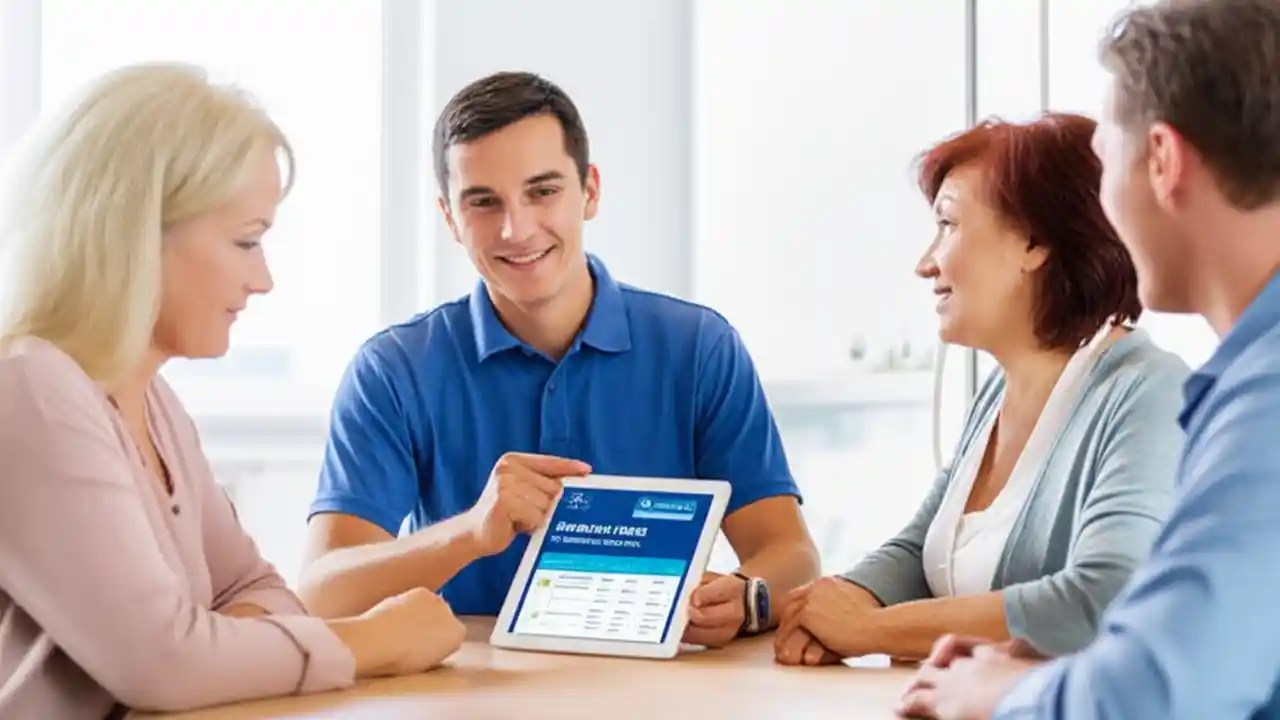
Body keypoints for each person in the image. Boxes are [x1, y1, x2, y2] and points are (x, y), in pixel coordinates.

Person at [0, 64, 465, 719]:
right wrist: (370, 640)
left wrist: (215, 646)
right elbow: (162, 665)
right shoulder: (31, 388)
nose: (264, 279)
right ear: (136, 234)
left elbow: (256, 587)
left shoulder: (154, 404)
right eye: (246, 240)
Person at [299, 71, 819, 647]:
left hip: (660, 691)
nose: (516, 229)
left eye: (542, 191)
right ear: (449, 218)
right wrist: (470, 532)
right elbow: (322, 593)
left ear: (590, 192)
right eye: (482, 202)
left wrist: (748, 596)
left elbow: (790, 553)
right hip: (467, 695)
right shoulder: (393, 370)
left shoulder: (699, 348)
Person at [898, 1, 1280, 718]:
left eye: (1107, 163)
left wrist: (1008, 694)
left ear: (1162, 161)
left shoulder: (1263, 400)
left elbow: (1155, 690)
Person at [775, 113, 1189, 668]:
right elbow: (920, 550)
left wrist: (874, 628)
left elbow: (1105, 595)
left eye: (948, 224)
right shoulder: (1000, 389)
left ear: (1034, 241)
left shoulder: (1148, 391)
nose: (926, 263)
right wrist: (836, 603)